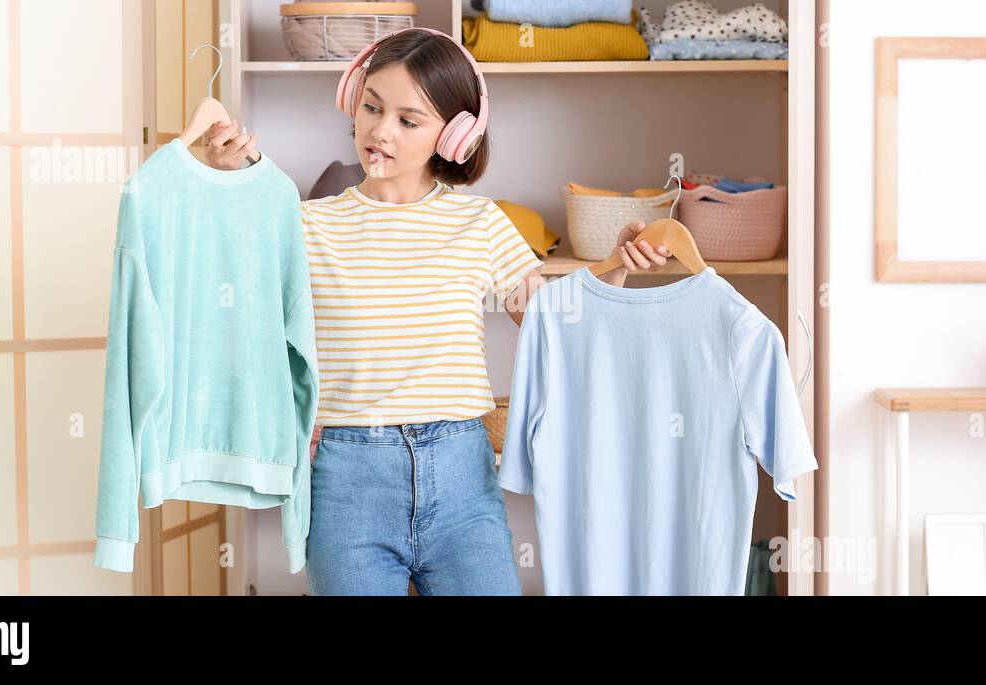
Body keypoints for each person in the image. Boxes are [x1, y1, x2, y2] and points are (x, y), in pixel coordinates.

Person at [202, 28, 672, 595]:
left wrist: (614, 265)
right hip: (346, 480)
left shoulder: (480, 223)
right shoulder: (308, 224)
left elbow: (554, 324)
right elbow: (236, 313)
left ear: (454, 137)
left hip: (462, 476)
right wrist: (226, 187)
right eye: (371, 107)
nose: (379, 131)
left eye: (408, 119)